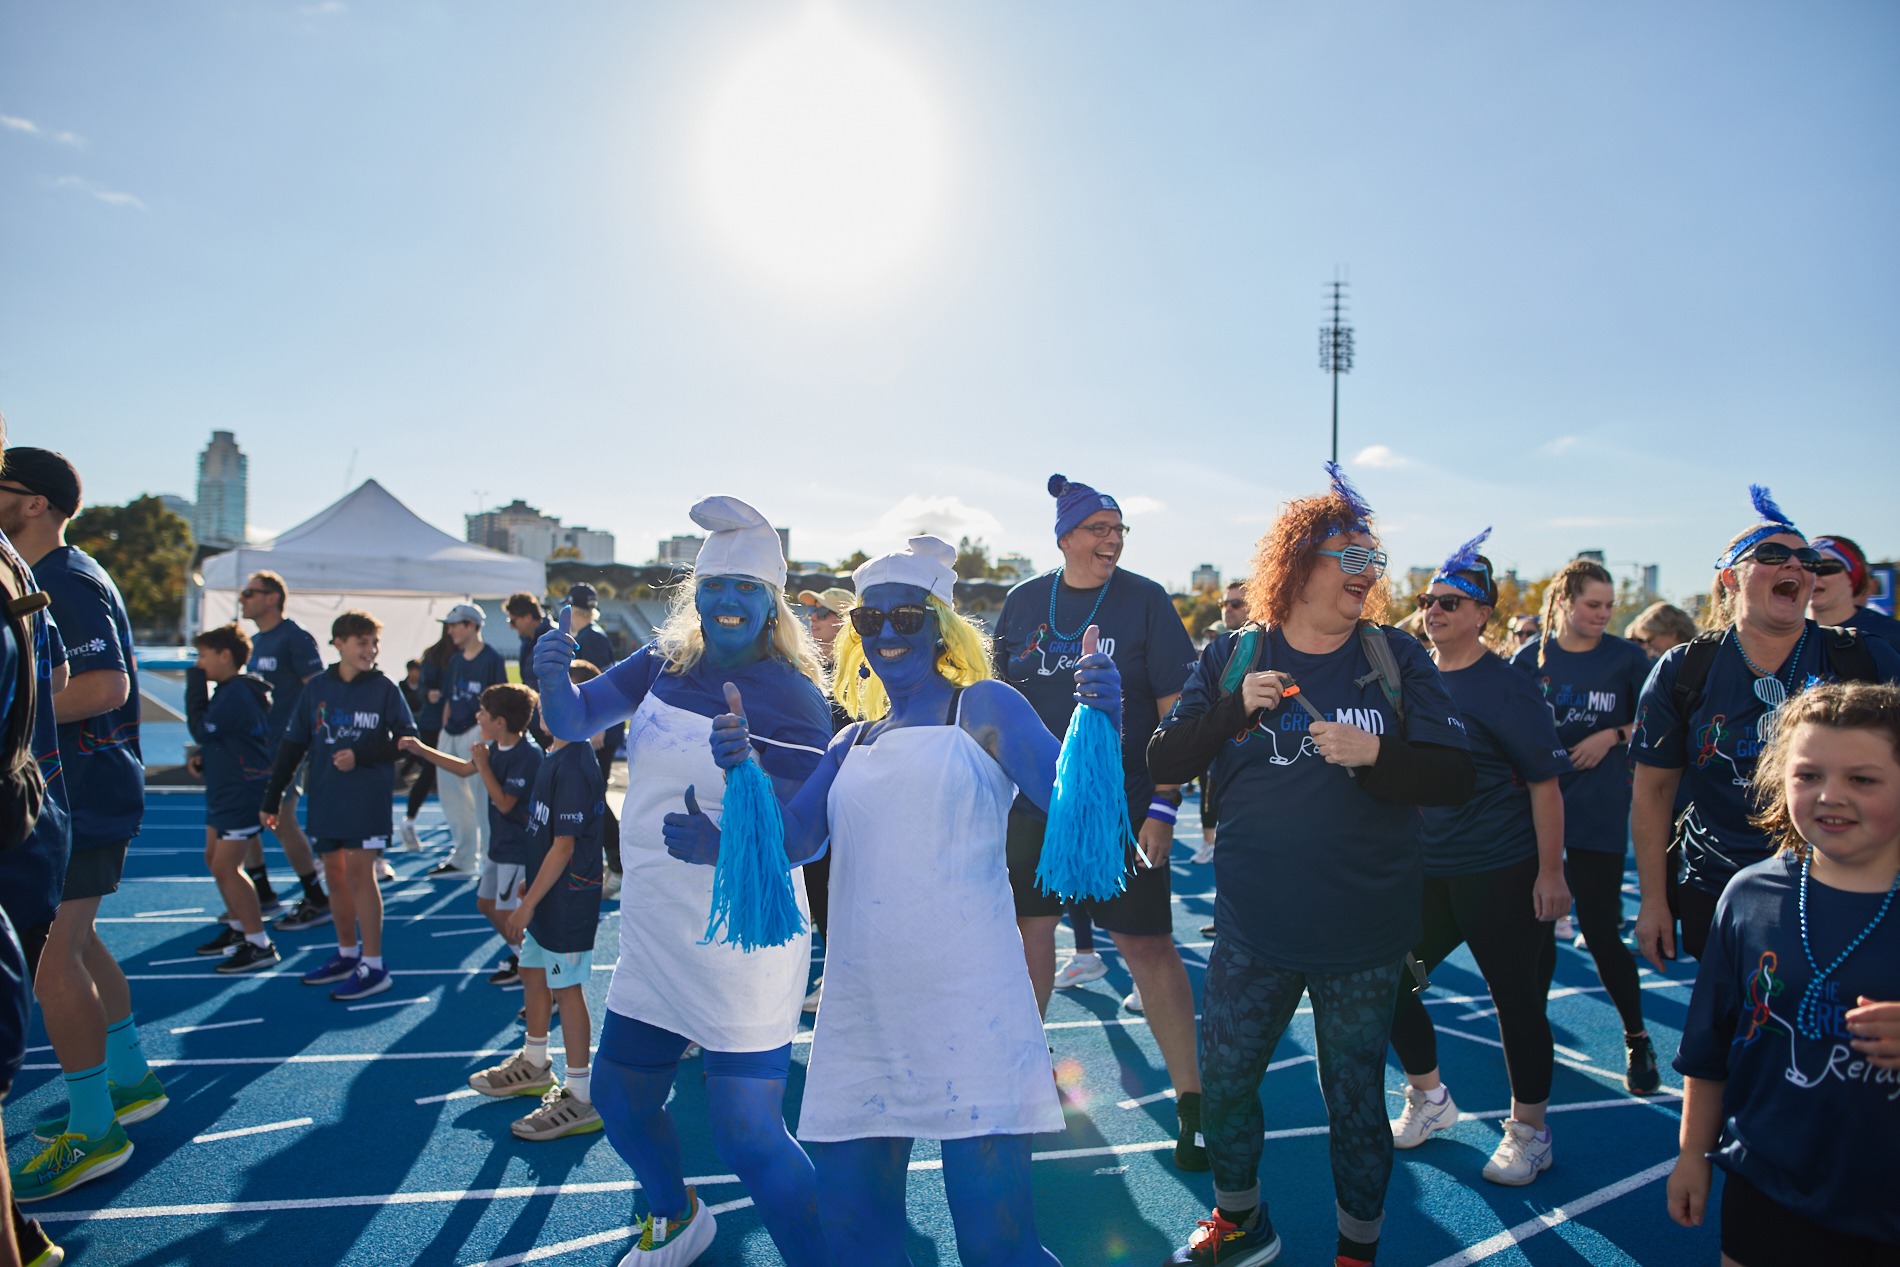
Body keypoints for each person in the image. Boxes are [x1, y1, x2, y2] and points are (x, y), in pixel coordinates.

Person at [668, 535, 1114, 1267]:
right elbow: (796, 839)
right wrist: (738, 792)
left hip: (971, 1007)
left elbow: (1077, 811)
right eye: (869, 620)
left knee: (996, 1247)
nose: (887, 633)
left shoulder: (984, 707)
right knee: (855, 1240)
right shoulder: (851, 741)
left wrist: (1098, 718)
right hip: (864, 1011)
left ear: (942, 627)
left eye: (906, 617)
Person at [1148, 463, 1474, 1267]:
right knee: (1225, 1083)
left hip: (1364, 936)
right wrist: (1236, 708)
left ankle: (1356, 1252)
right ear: (1298, 563)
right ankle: (1241, 1223)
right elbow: (1165, 755)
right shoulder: (1234, 652)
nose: (1369, 574)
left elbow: (1456, 775)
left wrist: (1377, 753)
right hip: (1252, 930)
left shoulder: (1396, 655)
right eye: (1352, 558)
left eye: (1375, 561)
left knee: (1354, 1101)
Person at [533, 496, 830, 1266]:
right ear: (694, 594)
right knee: (621, 1101)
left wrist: (723, 842)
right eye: (715, 584)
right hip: (658, 924)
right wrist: (552, 676)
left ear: (771, 602)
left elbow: (807, 832)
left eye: (746, 587)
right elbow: (573, 721)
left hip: (743, 937)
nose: (728, 599)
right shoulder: (660, 663)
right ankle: (678, 1217)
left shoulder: (793, 694)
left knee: (748, 1134)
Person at [990, 474, 1204, 1169]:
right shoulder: (1024, 602)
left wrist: (1165, 805)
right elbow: (994, 706)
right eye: (1098, 529)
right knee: (1030, 933)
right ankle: (1024, 1072)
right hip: (1034, 806)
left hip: (1124, 807)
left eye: (1119, 530)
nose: (1112, 540)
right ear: (1065, 537)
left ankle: (1193, 1100)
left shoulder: (1145, 600)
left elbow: (1178, 714)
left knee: (1147, 946)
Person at [1666, 682, 1900, 1262]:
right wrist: (1692, 1154)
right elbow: (1709, 1047)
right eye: (1808, 775)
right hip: (1765, 1185)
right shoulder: (1750, 895)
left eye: (1862, 779)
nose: (1830, 796)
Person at [1631, 487, 1900, 967]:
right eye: (1773, 555)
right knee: (1735, 1008)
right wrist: (1653, 902)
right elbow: (1653, 792)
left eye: (1807, 560)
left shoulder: (1863, 658)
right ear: (1730, 578)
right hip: (1717, 888)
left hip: (1843, 886)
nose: (1795, 565)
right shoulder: (1685, 669)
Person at [1385, 531, 1572, 1187]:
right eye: (1427, 601)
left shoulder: (1508, 687)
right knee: (1390, 980)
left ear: (1482, 613)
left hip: (1500, 870)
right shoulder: (1412, 677)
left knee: (1515, 1002)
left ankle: (1530, 1133)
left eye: (1450, 603)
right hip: (1428, 871)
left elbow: (1545, 785)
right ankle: (1429, 1096)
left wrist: (1552, 872)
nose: (1434, 611)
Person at [0, 448, 161, 1202]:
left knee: (51, 956)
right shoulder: (55, 572)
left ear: (35, 503)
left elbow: (105, 684)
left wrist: (14, 711)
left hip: (83, 794)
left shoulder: (61, 578)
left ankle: (95, 1128)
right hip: (82, 793)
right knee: (80, 942)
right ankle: (128, 1081)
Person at [1514, 559, 1663, 1092]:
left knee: (1601, 932)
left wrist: (1613, 735)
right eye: (1592, 605)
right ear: (1564, 602)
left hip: (1598, 812)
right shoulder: (1529, 659)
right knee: (1536, 935)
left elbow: (1658, 721)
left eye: (1608, 606)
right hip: (1533, 815)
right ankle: (1532, 1041)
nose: (1603, 614)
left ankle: (1637, 1037)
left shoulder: (1627, 658)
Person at [473, 659, 609, 1141]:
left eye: (555, 699)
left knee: (566, 989)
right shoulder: (553, 754)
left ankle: (581, 1094)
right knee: (532, 971)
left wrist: (529, 902)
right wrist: (531, 889)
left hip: (568, 899)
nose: (542, 707)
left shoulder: (574, 764)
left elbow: (565, 845)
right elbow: (544, 834)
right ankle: (534, 1062)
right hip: (547, 892)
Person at [262, 609, 418, 1002]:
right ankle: (347, 954)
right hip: (326, 796)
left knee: (360, 874)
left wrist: (361, 755)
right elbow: (293, 744)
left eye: (374, 643)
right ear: (339, 644)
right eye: (362, 642)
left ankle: (374, 964)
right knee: (333, 872)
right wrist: (273, 796)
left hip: (367, 798)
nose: (371, 650)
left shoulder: (384, 687)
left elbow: (406, 741)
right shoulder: (317, 687)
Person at [0, 429, 71, 1264]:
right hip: (29, 814)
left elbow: (97, 685)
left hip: (25, 821)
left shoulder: (61, 576)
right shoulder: (24, 571)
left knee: (67, 965)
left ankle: (98, 1111)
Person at [403, 684, 542, 987]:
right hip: (499, 845)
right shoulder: (496, 747)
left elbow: (504, 803)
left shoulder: (527, 755)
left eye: (483, 713)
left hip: (517, 848)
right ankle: (521, 956)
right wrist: (421, 749)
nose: (477, 717)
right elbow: (465, 770)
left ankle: (537, 970)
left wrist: (483, 766)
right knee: (486, 905)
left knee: (507, 913)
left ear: (500, 722)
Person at [238, 570, 331, 929]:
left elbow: (318, 692)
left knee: (280, 819)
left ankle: (316, 897)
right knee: (246, 817)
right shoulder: (256, 642)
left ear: (272, 598)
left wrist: (312, 739)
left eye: (250, 592)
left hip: (286, 747)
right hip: (256, 747)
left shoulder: (294, 637)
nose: (243, 598)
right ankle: (262, 893)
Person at [185, 624, 280, 974]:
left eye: (203, 656)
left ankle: (259, 943)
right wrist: (205, 757)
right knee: (214, 859)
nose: (198, 663)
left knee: (227, 867)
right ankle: (240, 929)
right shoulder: (229, 691)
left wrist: (195, 686)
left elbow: (203, 728)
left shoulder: (237, 692)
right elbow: (222, 736)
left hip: (241, 791)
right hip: (225, 788)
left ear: (225, 656)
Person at [795, 585, 855, 1012]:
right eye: (812, 614)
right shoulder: (809, 671)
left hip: (847, 805)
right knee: (817, 890)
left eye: (822, 614)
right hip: (814, 801)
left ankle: (843, 981)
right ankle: (838, 976)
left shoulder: (863, 672)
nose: (812, 620)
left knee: (839, 895)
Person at [429, 604, 507, 877]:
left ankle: (488, 859)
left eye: (455, 625)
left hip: (478, 732)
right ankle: (463, 857)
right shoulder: (455, 660)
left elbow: (499, 701)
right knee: (453, 798)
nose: (450, 631)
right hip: (452, 732)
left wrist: (488, 738)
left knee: (483, 799)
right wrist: (445, 730)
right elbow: (451, 698)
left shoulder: (492, 659)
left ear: (472, 626)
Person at [565, 584, 623, 887]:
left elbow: (603, 684)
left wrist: (598, 726)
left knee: (593, 797)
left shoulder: (591, 638)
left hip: (600, 729)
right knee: (589, 796)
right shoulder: (592, 635)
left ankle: (616, 864)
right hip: (598, 726)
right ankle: (608, 861)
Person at [1191, 580, 1252, 867]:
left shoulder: (1269, 647)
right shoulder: (1216, 652)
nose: (1228, 609)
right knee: (1210, 797)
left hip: (1252, 753)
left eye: (1235, 604)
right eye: (1223, 604)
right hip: (1217, 746)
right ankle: (1209, 844)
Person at [400, 625, 457, 852]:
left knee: (460, 775)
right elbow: (421, 688)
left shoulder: (472, 655)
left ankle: (463, 833)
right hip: (436, 724)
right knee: (431, 772)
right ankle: (410, 819)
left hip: (459, 725)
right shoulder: (435, 655)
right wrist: (429, 694)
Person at [1807, 534, 1900, 651]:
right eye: (1806, 567)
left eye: (1825, 568)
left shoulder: (1892, 634)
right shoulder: (1788, 636)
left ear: (1853, 578)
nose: (1813, 577)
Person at [1624, 601, 1697, 660]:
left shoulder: (1674, 664)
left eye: (1650, 639)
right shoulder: (1697, 659)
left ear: (1672, 633)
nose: (1649, 644)